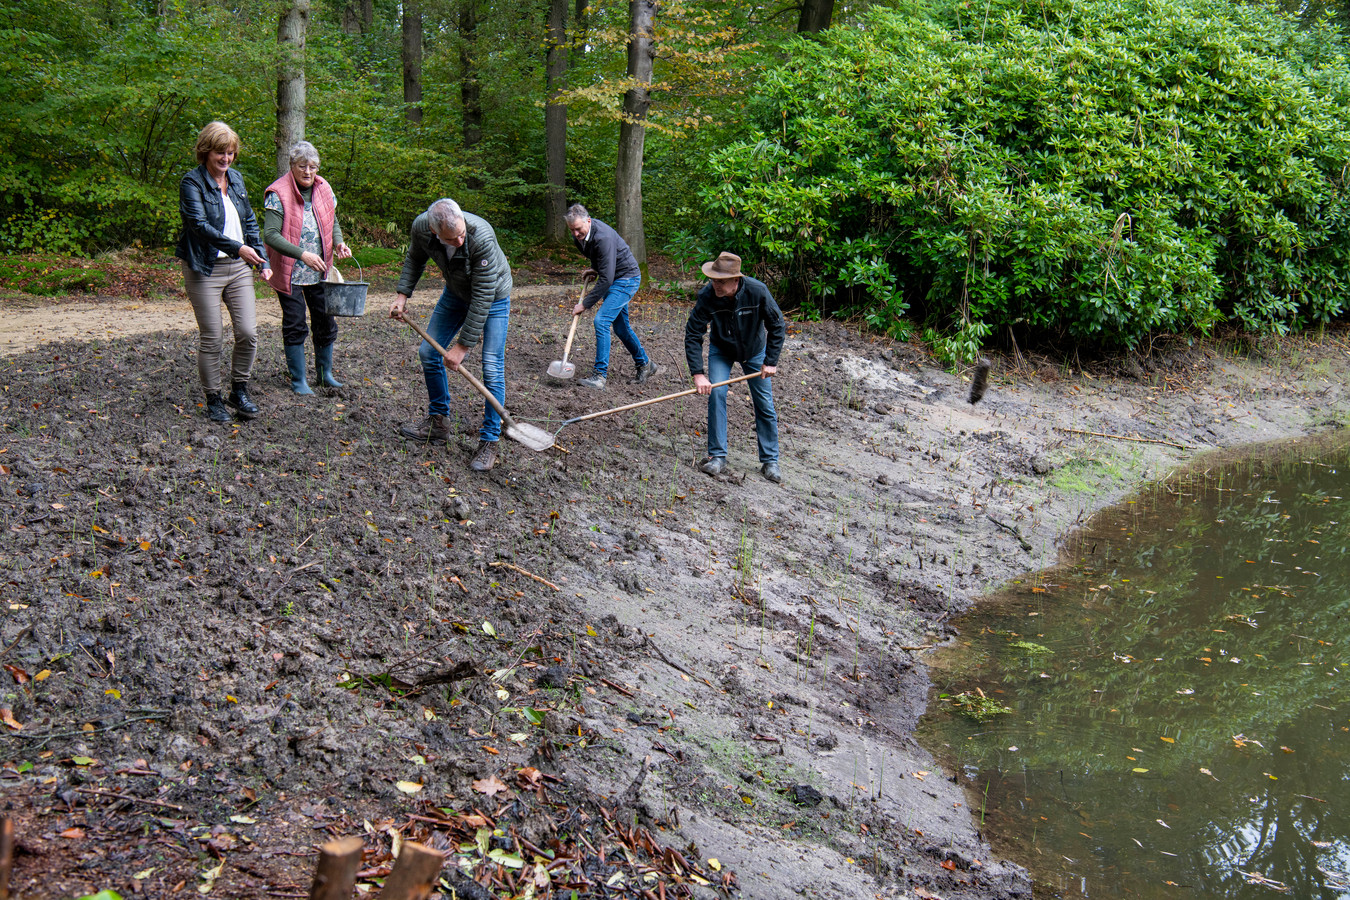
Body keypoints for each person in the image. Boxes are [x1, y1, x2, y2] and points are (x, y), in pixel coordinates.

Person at [389, 199, 513, 472]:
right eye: (451, 238)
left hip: (493, 296)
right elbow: (415, 258)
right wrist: (402, 295)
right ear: (434, 232)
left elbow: (482, 297)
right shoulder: (421, 228)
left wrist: (462, 347)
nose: (459, 241)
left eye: (461, 234)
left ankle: (490, 440)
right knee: (428, 353)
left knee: (492, 367)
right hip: (456, 292)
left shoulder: (481, 235)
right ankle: (438, 423)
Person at [175, 121, 270, 423]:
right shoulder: (192, 183)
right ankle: (214, 398)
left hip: (238, 268)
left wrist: (262, 260)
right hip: (204, 267)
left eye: (230, 153)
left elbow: (249, 220)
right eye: (220, 152)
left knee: (248, 333)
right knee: (213, 337)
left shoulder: (236, 179)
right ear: (205, 151)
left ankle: (238, 391)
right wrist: (238, 248)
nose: (226, 159)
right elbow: (199, 226)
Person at [685, 252, 786, 484]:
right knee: (716, 393)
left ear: (736, 280)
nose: (715, 285)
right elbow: (693, 333)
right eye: (713, 280)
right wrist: (698, 373)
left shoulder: (757, 291)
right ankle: (717, 456)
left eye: (720, 281)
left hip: (754, 350)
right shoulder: (708, 295)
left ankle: (770, 460)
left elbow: (777, 325)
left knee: (764, 402)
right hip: (721, 350)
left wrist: (770, 361)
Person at [262, 141, 352, 395]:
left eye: (313, 167)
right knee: (295, 322)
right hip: (289, 271)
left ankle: (325, 375)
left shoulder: (324, 188)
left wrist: (339, 242)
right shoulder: (278, 193)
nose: (308, 172)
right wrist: (302, 254)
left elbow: (331, 220)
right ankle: (299, 380)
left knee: (325, 320)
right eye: (302, 166)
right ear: (292, 165)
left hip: (320, 270)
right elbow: (270, 235)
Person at [564, 204, 660, 389]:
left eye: (578, 229)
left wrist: (585, 304)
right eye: (572, 230)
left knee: (601, 321)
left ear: (588, 221)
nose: (575, 234)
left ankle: (599, 376)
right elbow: (597, 255)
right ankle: (645, 364)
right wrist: (595, 268)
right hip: (614, 278)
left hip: (626, 279)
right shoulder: (581, 237)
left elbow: (606, 279)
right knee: (621, 328)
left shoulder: (603, 237)